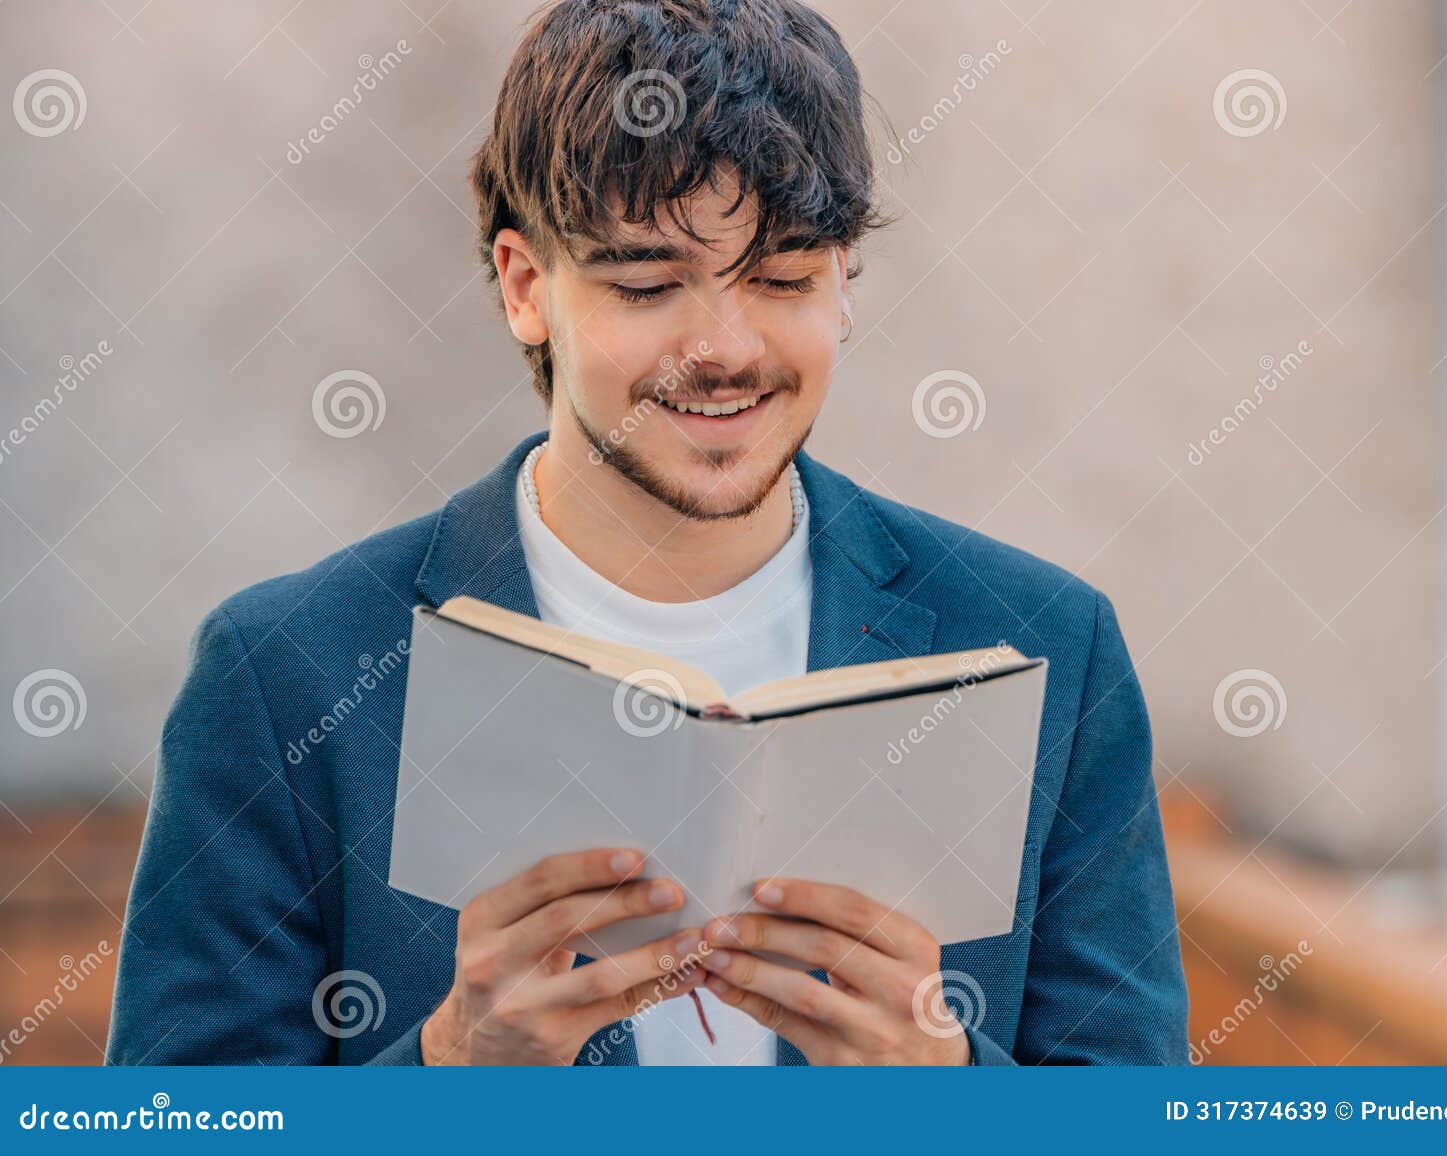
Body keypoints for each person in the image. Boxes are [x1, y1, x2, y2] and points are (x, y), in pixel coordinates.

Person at [106, 0, 1187, 1067]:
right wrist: (449, 1078)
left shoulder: (1051, 646)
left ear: (843, 280)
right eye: (647, 284)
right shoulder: (286, 671)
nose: (722, 345)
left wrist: (949, 1097)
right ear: (528, 288)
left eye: (781, 277)